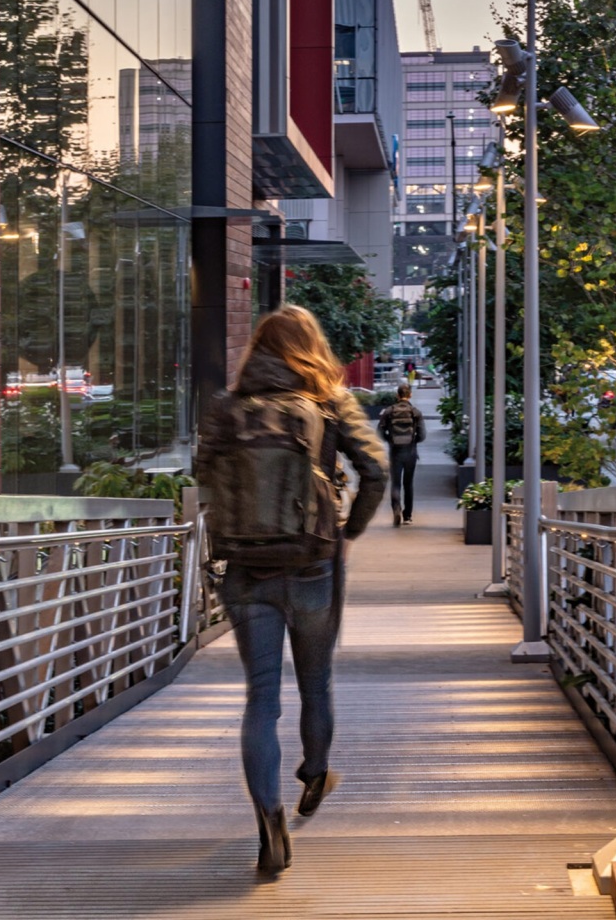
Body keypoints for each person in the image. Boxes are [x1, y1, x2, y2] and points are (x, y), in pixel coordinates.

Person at [196, 305, 387, 877]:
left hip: (245, 569)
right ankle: (315, 772)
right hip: (313, 562)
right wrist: (348, 532)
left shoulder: (226, 409)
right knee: (316, 681)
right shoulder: (329, 401)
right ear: (310, 346)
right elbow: (374, 471)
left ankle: (270, 822)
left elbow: (203, 474)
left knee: (261, 698)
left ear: (258, 349)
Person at [378, 380, 426, 525]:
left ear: (397, 395)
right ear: (410, 395)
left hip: (395, 452)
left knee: (396, 484)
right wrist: (413, 441)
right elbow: (422, 435)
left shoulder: (389, 411)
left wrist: (390, 440)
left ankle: (396, 509)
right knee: (408, 483)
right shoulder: (415, 412)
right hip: (410, 452)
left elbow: (379, 432)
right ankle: (408, 516)